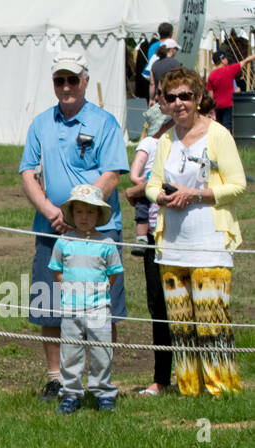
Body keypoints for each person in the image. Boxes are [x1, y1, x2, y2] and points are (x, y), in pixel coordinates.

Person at [20, 51, 127, 400]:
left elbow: (112, 173)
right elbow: (28, 173)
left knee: (102, 306)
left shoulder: (105, 122)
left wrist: (84, 211)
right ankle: (57, 380)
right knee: (50, 302)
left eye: (71, 79)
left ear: (84, 81)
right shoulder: (40, 124)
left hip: (99, 230)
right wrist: (52, 210)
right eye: (58, 80)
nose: (65, 87)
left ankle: (100, 381)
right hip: (51, 226)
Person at [146, 68, 247, 398]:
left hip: (210, 243)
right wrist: (160, 197)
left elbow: (238, 185)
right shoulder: (165, 139)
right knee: (181, 326)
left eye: (185, 96)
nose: (178, 103)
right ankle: (190, 390)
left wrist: (195, 195)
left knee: (211, 322)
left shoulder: (218, 135)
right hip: (172, 246)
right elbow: (151, 184)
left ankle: (221, 391)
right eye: (171, 97)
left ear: (198, 97)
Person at [49, 185, 123, 414]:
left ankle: (103, 393)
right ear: (72, 214)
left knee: (102, 352)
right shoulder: (63, 242)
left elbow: (113, 273)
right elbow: (57, 269)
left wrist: (98, 293)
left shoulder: (107, 244)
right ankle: (71, 394)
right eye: (79, 212)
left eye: (90, 212)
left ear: (99, 216)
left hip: (99, 307)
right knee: (70, 353)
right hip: (71, 308)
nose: (84, 217)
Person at [124, 110, 174, 396]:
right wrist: (142, 189)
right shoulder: (153, 145)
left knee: (189, 307)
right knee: (158, 304)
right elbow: (140, 184)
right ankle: (161, 377)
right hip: (156, 233)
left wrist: (139, 190)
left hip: (186, 235)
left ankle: (198, 375)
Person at [205, 50, 255, 132]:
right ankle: (227, 143)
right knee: (227, 127)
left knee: (218, 127)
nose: (227, 60)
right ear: (222, 60)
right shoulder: (229, 70)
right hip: (228, 105)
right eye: (225, 58)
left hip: (217, 106)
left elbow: (210, 94)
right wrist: (253, 57)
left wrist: (211, 109)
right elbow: (245, 61)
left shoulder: (211, 75)